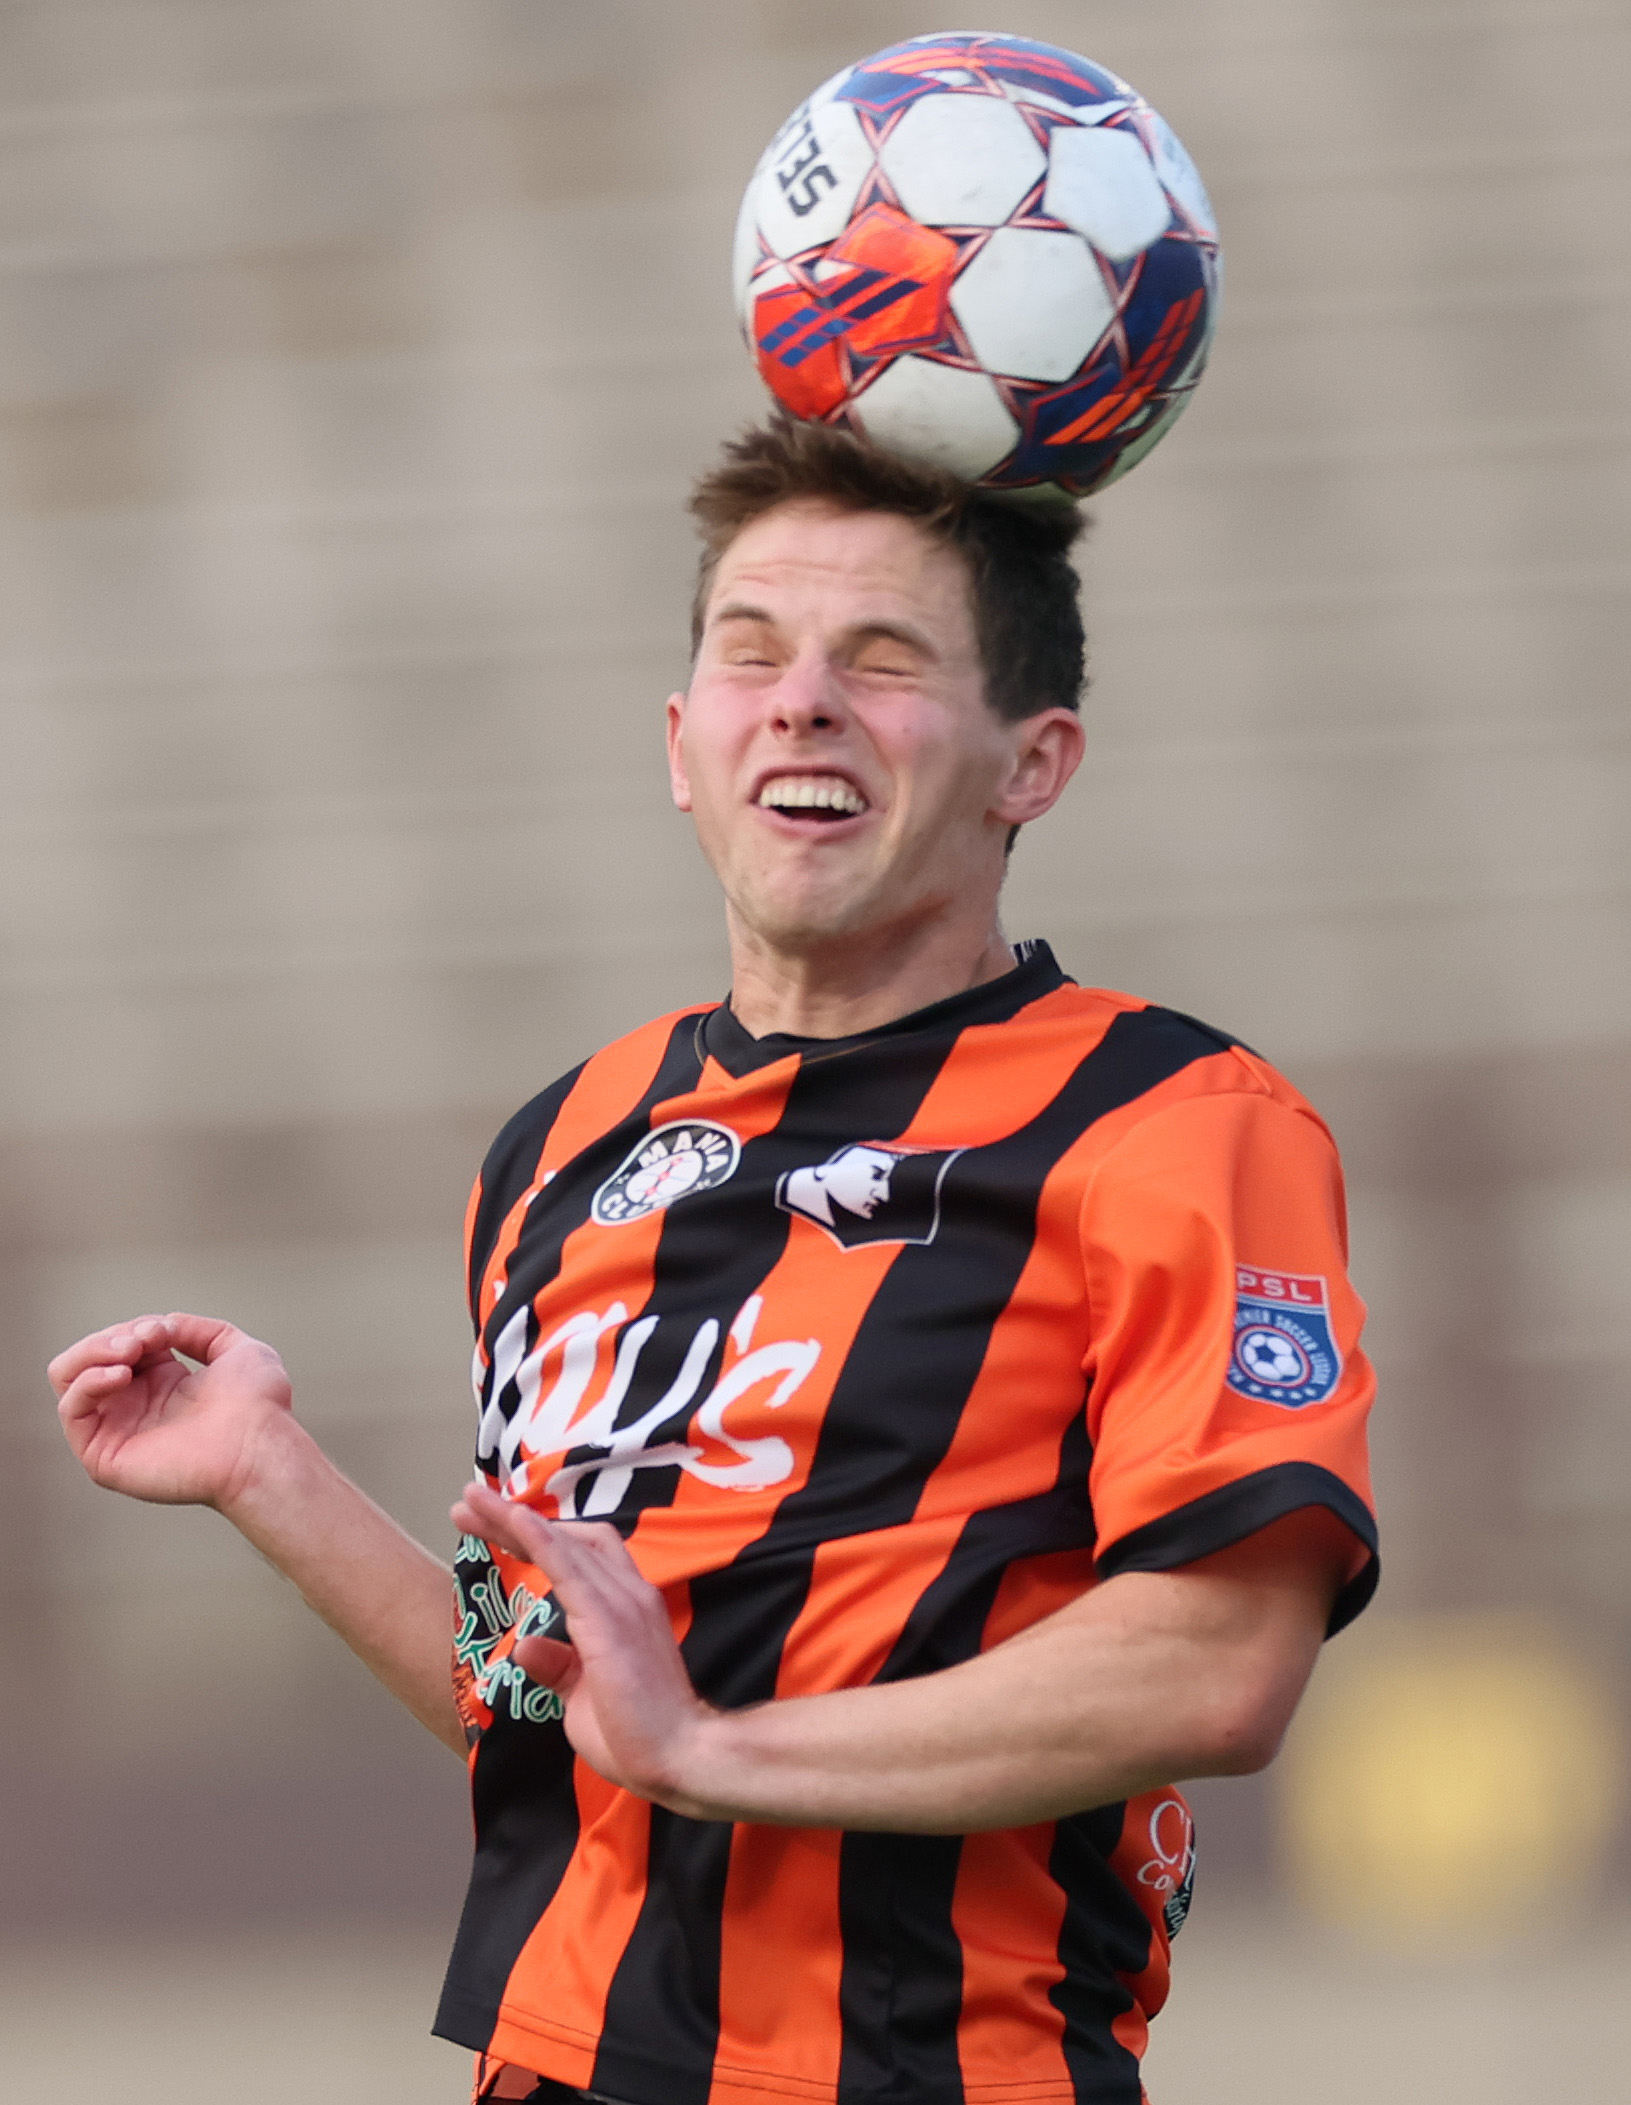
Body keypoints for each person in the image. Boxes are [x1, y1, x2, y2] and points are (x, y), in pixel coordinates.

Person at [49, 418, 1377, 2105]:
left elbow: (1221, 1659)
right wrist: (268, 1472)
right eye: (752, 653)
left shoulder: (1173, 1119)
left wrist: (716, 1753)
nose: (803, 697)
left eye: (883, 661)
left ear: (1031, 763)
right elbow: (536, 1697)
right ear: (685, 742)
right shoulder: (561, 1143)